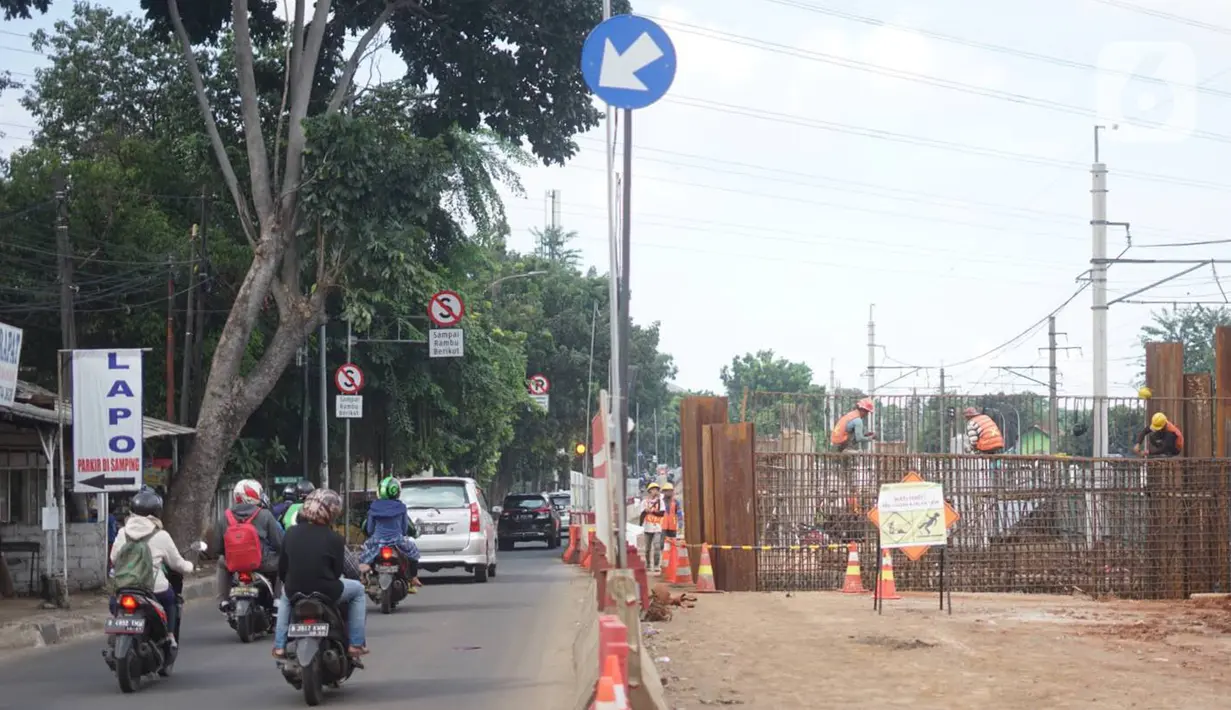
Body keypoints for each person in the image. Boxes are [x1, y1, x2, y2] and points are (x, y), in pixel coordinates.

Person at [272, 488, 368, 661]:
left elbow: (282, 569)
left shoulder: (290, 533)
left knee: (285, 597)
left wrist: (291, 583)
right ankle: (355, 644)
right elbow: (337, 572)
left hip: (295, 590)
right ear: (331, 513)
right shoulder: (335, 538)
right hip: (327, 591)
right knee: (359, 591)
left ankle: (279, 646)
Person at [109, 489, 195, 646]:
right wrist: (189, 566)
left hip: (123, 586)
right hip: (153, 589)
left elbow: (114, 558)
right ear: (157, 512)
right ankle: (170, 635)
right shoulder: (161, 535)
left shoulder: (122, 533)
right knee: (171, 600)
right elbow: (177, 564)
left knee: (114, 603)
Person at [215, 479, 284, 612]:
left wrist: (230, 556)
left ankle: (223, 600)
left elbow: (217, 548)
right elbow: (278, 543)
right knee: (283, 561)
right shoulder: (265, 514)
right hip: (262, 563)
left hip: (233, 563)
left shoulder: (225, 516)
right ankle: (277, 600)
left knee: (221, 562)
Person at [358, 477, 422, 590]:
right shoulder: (401, 507)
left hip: (377, 541)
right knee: (413, 552)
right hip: (398, 541)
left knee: (363, 555)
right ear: (397, 492)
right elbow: (404, 529)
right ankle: (413, 578)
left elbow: (369, 529)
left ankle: (363, 578)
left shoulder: (374, 507)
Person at [639, 482, 664, 573]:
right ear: (649, 491)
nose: (655, 491)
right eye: (653, 489)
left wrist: (652, 512)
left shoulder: (660, 502)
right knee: (647, 548)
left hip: (657, 527)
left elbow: (662, 513)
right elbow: (641, 514)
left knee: (657, 546)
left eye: (656, 489)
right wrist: (645, 511)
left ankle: (656, 565)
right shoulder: (644, 502)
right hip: (647, 528)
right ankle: (648, 564)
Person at [659, 482, 684, 548]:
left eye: (671, 491)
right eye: (667, 491)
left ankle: (672, 554)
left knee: (673, 542)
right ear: (663, 492)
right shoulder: (660, 501)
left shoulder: (675, 501)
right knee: (662, 543)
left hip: (672, 524)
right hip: (662, 525)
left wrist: (680, 522)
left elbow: (679, 512)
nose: (669, 492)